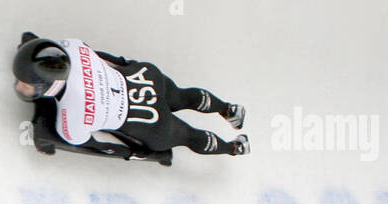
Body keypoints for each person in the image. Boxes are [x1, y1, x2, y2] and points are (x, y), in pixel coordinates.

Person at [13, 32, 248, 166]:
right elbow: (107, 59)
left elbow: (99, 144)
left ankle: (235, 147)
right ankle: (229, 109)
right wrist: (130, 65)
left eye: (27, 84)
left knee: (188, 135)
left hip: (149, 122)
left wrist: (140, 153)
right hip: (144, 78)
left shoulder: (71, 119)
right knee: (181, 96)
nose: (21, 87)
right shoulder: (72, 46)